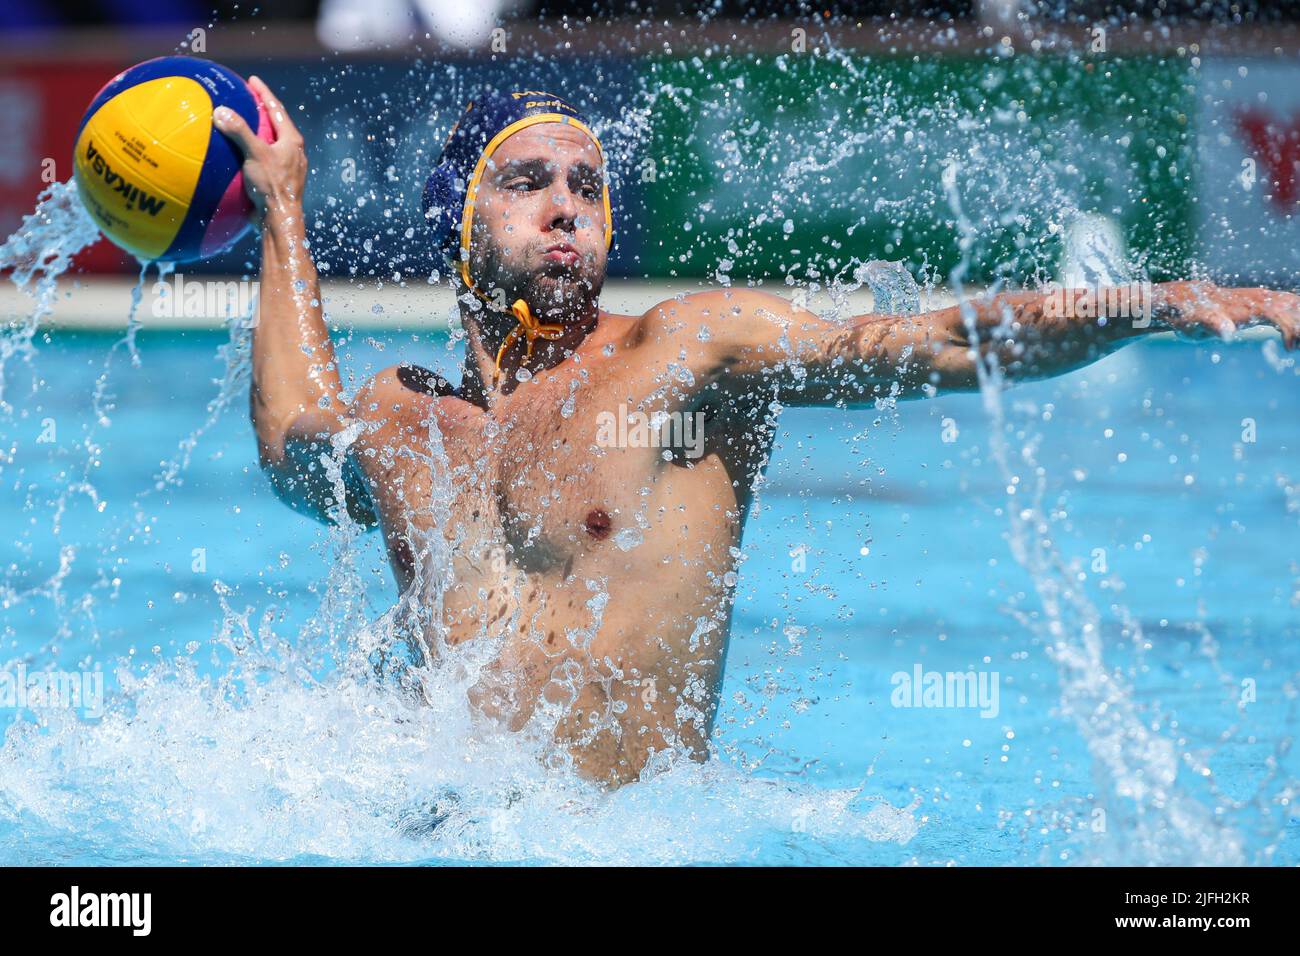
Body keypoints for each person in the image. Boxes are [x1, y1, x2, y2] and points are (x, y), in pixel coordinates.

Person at [213, 80, 1300, 788]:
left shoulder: (684, 354)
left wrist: (1155, 301)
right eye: (527, 182)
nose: (566, 208)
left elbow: (937, 344)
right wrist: (283, 208)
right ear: (460, 216)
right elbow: (289, 442)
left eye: (586, 186)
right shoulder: (410, 419)